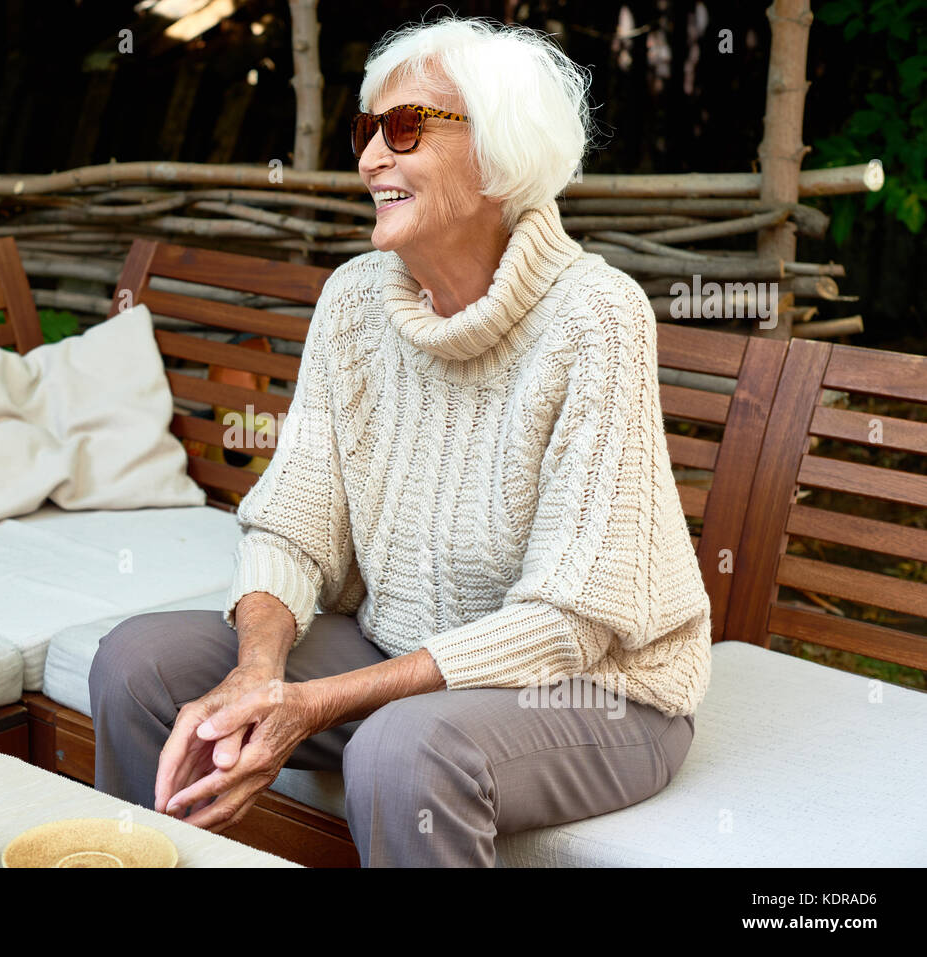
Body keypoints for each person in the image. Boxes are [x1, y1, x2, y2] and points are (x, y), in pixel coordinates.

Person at [88, 16, 711, 867]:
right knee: (137, 664)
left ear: (498, 153)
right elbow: (293, 523)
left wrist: (318, 702)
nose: (371, 156)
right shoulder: (353, 303)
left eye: (405, 127)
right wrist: (259, 672)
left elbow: (569, 621)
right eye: (364, 130)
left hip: (598, 691)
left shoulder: (594, 318)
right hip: (401, 646)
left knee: (402, 749)